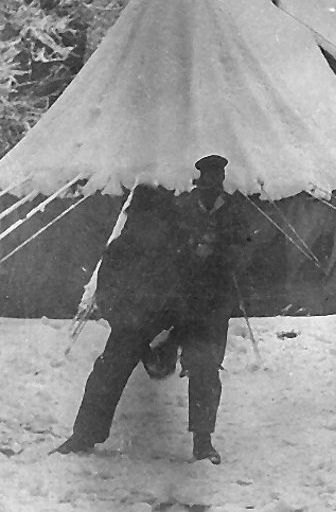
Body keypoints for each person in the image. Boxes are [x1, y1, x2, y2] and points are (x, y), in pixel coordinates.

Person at [54, 155, 251, 464]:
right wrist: (124, 318)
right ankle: (84, 434)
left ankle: (203, 441)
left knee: (204, 368)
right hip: (141, 317)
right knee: (110, 366)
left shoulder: (176, 236)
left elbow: (201, 272)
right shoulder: (125, 247)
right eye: (141, 217)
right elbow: (108, 288)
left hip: (192, 311)